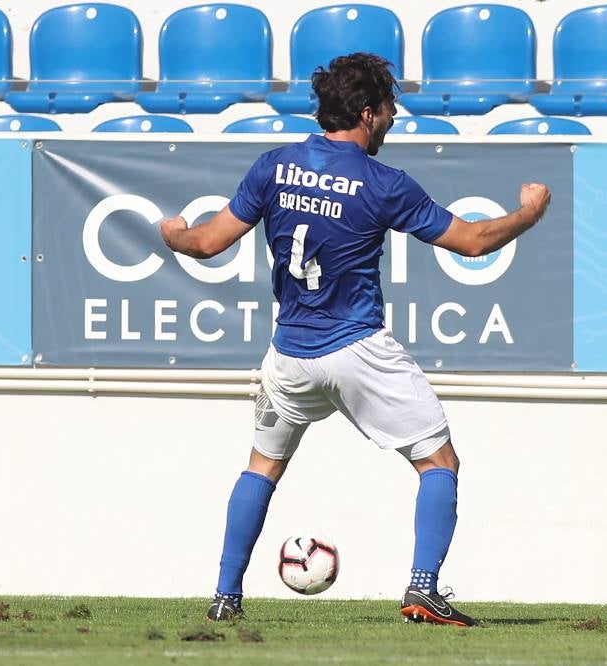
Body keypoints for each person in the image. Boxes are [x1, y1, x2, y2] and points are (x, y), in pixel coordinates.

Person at [160, 52, 551, 627]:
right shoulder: (382, 183)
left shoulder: (274, 167)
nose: (393, 118)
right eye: (390, 108)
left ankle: (225, 595)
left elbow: (205, 243)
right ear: (367, 113)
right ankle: (422, 589)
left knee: (262, 466)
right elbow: (473, 241)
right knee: (438, 460)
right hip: (357, 348)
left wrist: (173, 233)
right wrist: (530, 211)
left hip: (288, 354)